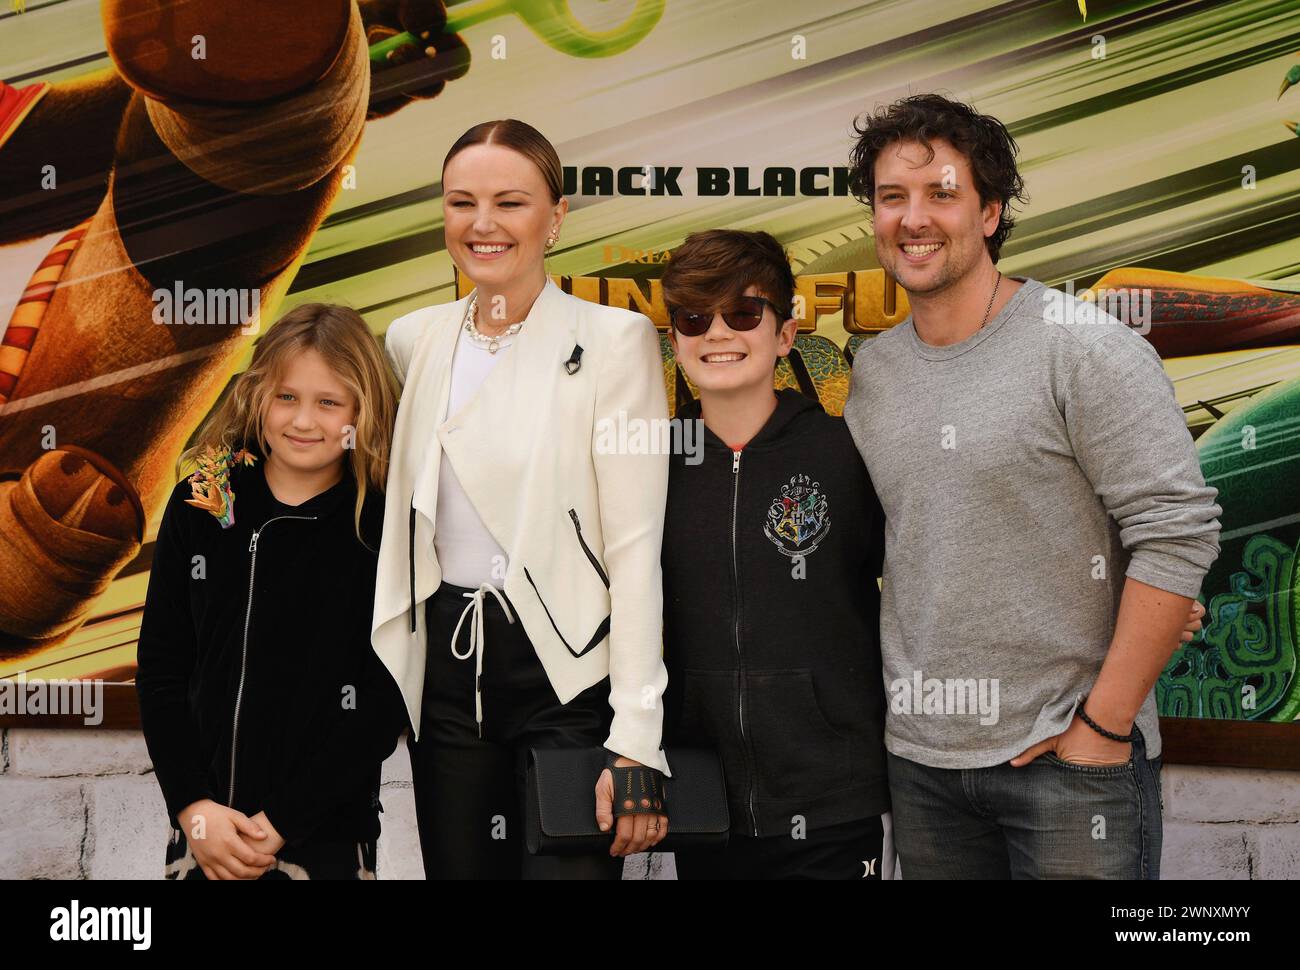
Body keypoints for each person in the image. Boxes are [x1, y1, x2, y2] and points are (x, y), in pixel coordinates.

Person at [841, 93, 1221, 879]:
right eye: (892, 197)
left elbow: (1177, 533)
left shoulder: (1083, 350)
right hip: (922, 767)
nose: (913, 218)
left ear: (990, 212)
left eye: (942, 193)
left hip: (1070, 763)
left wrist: (1103, 728)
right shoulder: (874, 374)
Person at [372, 119, 671, 879]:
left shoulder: (616, 339)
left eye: (510, 202)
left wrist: (637, 733)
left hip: (567, 673)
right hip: (448, 669)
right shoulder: (413, 339)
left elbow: (635, 550)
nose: (482, 224)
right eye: (460, 202)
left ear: (557, 216)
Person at [136, 303, 409, 880]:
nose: (303, 421)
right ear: (257, 395)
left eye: (329, 403)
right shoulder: (203, 500)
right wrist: (194, 809)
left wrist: (282, 821)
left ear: (363, 411)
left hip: (327, 837)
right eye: (287, 397)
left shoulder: (382, 524)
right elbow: (162, 670)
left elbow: (384, 700)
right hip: (206, 837)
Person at [659, 229, 891, 879]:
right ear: (675, 340)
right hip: (704, 799)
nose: (718, 334)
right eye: (695, 318)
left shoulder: (846, 451)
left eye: (743, 314)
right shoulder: (653, 464)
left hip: (831, 797)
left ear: (785, 333)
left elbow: (920, 581)